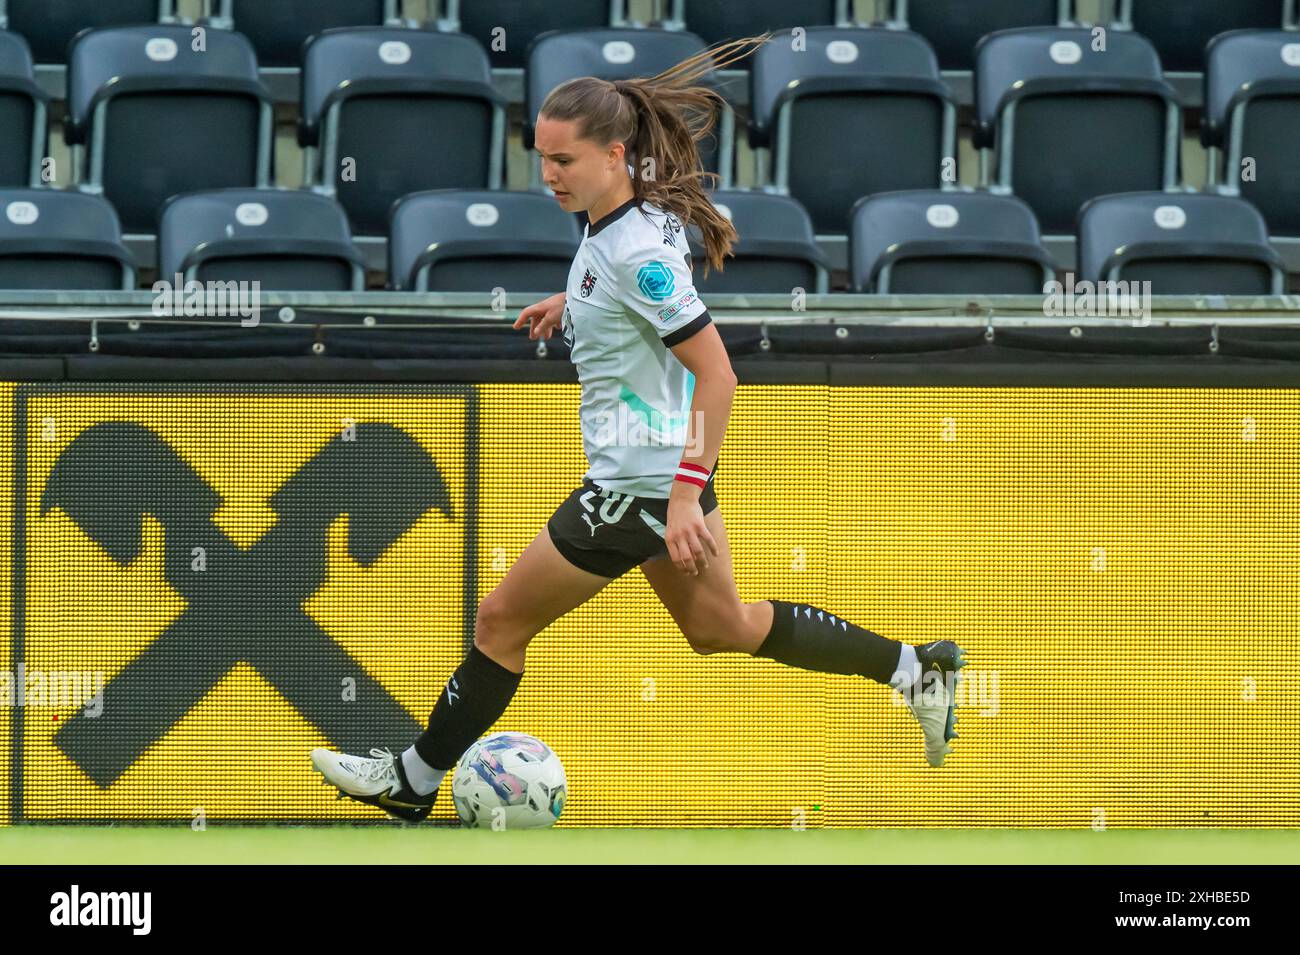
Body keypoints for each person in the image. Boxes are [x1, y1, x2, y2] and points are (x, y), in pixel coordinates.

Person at [312, 34, 965, 822]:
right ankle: (915, 669)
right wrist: (572, 306)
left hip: (639, 487)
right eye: (543, 159)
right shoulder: (624, 222)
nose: (548, 176)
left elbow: (717, 373)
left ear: (615, 153)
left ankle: (413, 779)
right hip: (656, 484)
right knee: (724, 626)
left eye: (564, 162)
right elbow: (628, 290)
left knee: (500, 620)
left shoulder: (630, 251)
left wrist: (686, 495)